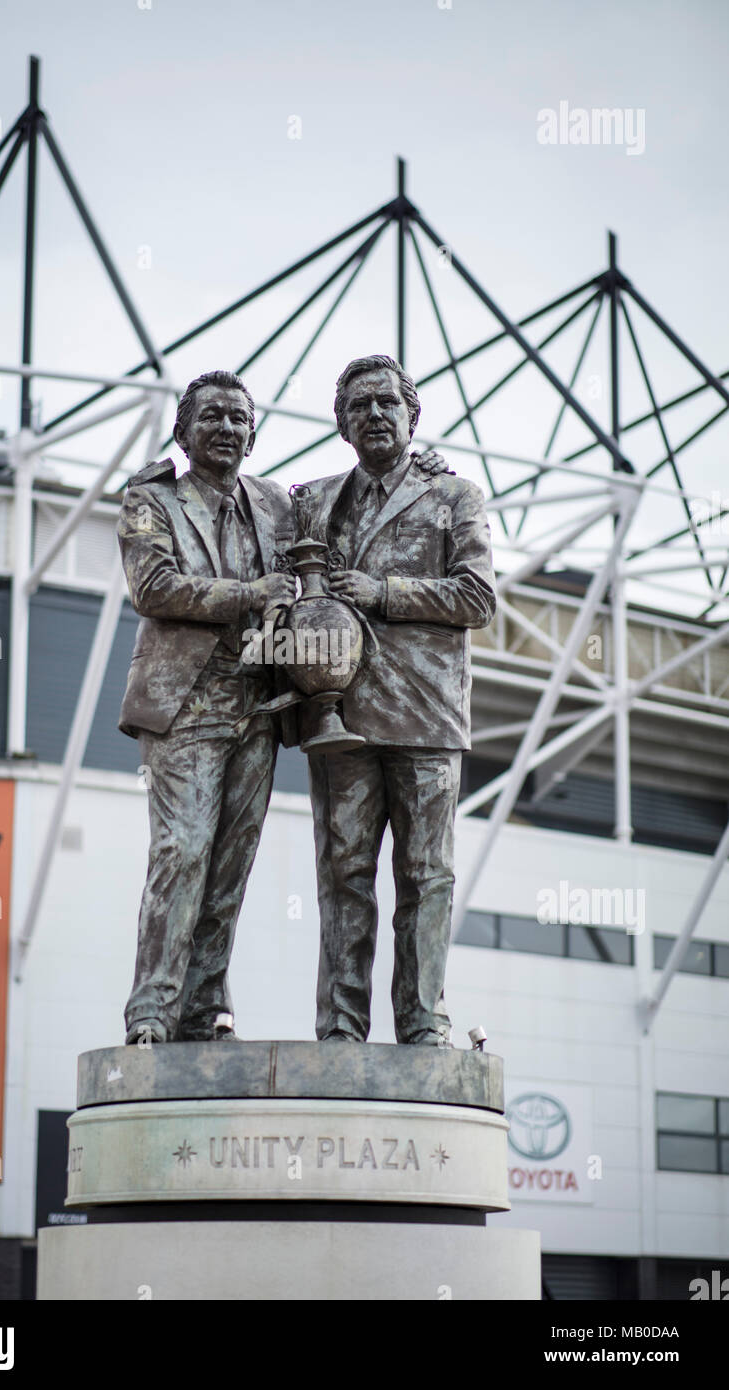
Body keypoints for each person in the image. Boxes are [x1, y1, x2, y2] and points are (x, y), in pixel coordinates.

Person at [290, 354, 496, 1046]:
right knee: (342, 876)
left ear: (414, 414)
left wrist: (385, 593)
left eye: (387, 402)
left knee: (426, 877)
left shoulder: (455, 495)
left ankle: (423, 1023)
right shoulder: (313, 500)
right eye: (359, 405)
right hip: (339, 720)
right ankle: (341, 1028)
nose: (374, 414)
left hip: (426, 717)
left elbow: (477, 597)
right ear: (342, 424)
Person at [117, 370, 295, 1044]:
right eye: (212, 416)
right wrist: (250, 594)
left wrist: (424, 462)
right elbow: (155, 587)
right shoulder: (149, 497)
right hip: (185, 704)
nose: (226, 428)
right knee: (182, 850)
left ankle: (203, 1007)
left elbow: (345, 506)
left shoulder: (277, 503)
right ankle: (151, 1012)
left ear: (254, 436)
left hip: (258, 703)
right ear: (182, 430)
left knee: (229, 865)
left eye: (238, 419)